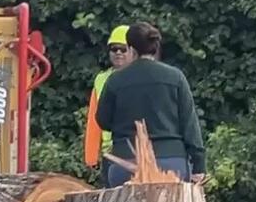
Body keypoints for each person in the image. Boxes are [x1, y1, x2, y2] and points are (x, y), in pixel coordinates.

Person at [96, 22, 206, 187]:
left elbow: (103, 121)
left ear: (131, 49)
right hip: (172, 163)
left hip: (125, 163)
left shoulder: (115, 80)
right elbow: (190, 125)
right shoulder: (175, 77)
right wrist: (199, 166)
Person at [83, 24, 134, 185]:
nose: (118, 52)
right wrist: (91, 156)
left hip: (137, 149)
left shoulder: (142, 76)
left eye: (123, 49)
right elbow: (94, 119)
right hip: (110, 153)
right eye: (114, 48)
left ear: (133, 51)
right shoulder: (101, 79)